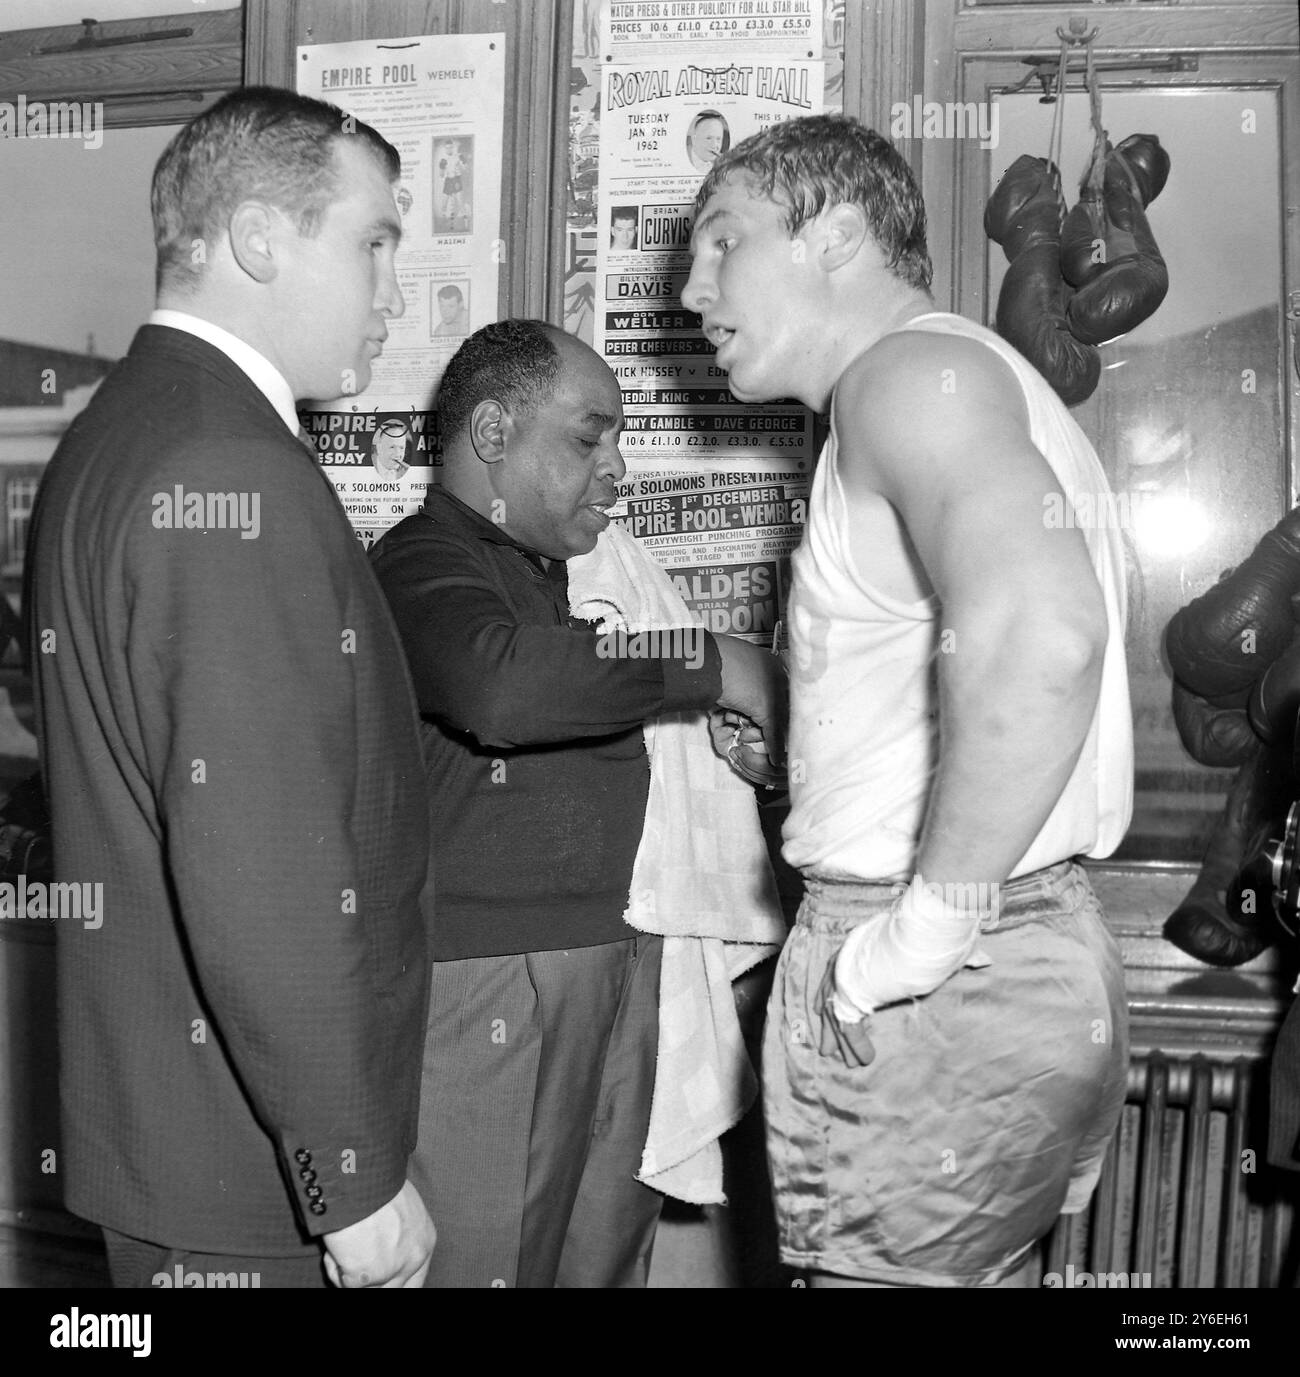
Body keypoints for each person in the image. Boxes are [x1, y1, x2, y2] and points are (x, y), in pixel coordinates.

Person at [682, 114, 1134, 1288]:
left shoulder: (904, 381)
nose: (690, 289)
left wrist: (918, 935)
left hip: (937, 965)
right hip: (1028, 940)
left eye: (721, 242)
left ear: (834, 235)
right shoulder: (974, 381)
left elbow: (1046, 634)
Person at [26, 86, 436, 1288]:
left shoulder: (124, 432)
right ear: (261, 239)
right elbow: (259, 861)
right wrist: (351, 1179)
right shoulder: (224, 466)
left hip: (180, 1132)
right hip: (246, 1176)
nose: (393, 289)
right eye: (373, 242)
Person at [370, 318, 784, 1287]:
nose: (617, 469)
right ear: (491, 436)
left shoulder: (566, 579)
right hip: (491, 979)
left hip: (617, 958)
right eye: (588, 438)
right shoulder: (423, 561)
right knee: (487, 1267)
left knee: (600, 1266)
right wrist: (713, 664)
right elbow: (501, 689)